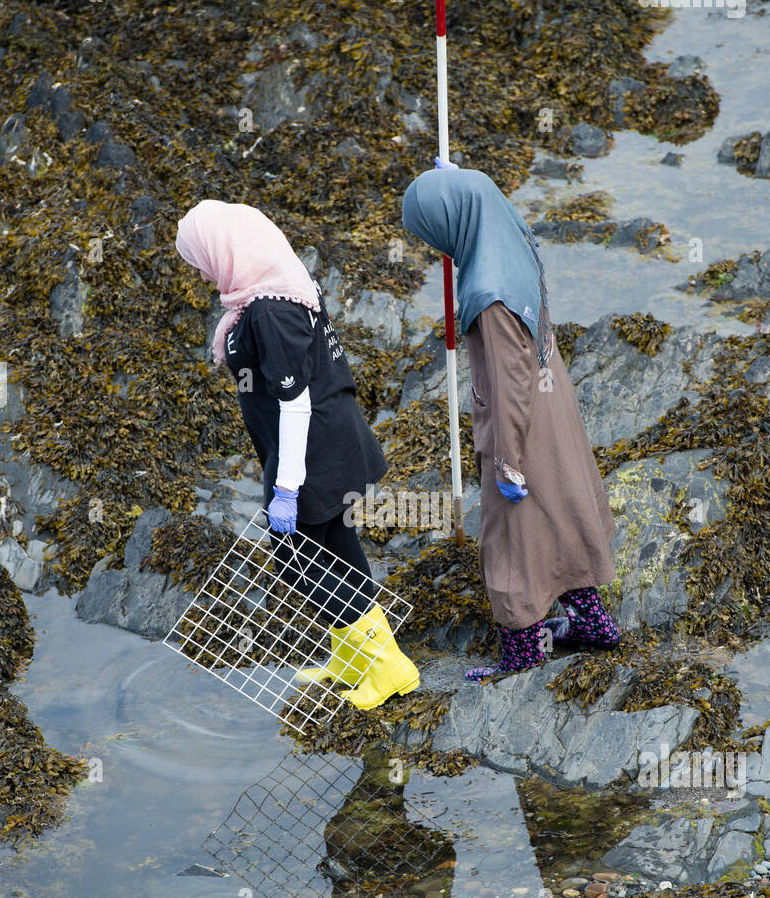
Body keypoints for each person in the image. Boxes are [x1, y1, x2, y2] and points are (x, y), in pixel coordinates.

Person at [175, 199, 419, 709]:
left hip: (313, 453)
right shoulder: (276, 286)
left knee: (300, 562)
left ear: (225, 250)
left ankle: (388, 666)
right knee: (337, 545)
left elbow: (296, 401)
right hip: (324, 443)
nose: (201, 273)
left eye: (200, 260)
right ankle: (352, 659)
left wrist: (286, 487)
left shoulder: (270, 310)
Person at [401, 165, 619, 681]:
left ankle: (522, 650)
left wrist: (506, 460)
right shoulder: (509, 233)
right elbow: (486, 198)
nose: (435, 245)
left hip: (519, 421)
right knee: (561, 509)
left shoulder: (487, 292)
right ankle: (591, 622)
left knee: (511, 536)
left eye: (431, 231)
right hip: (553, 400)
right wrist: (465, 181)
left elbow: (508, 382)